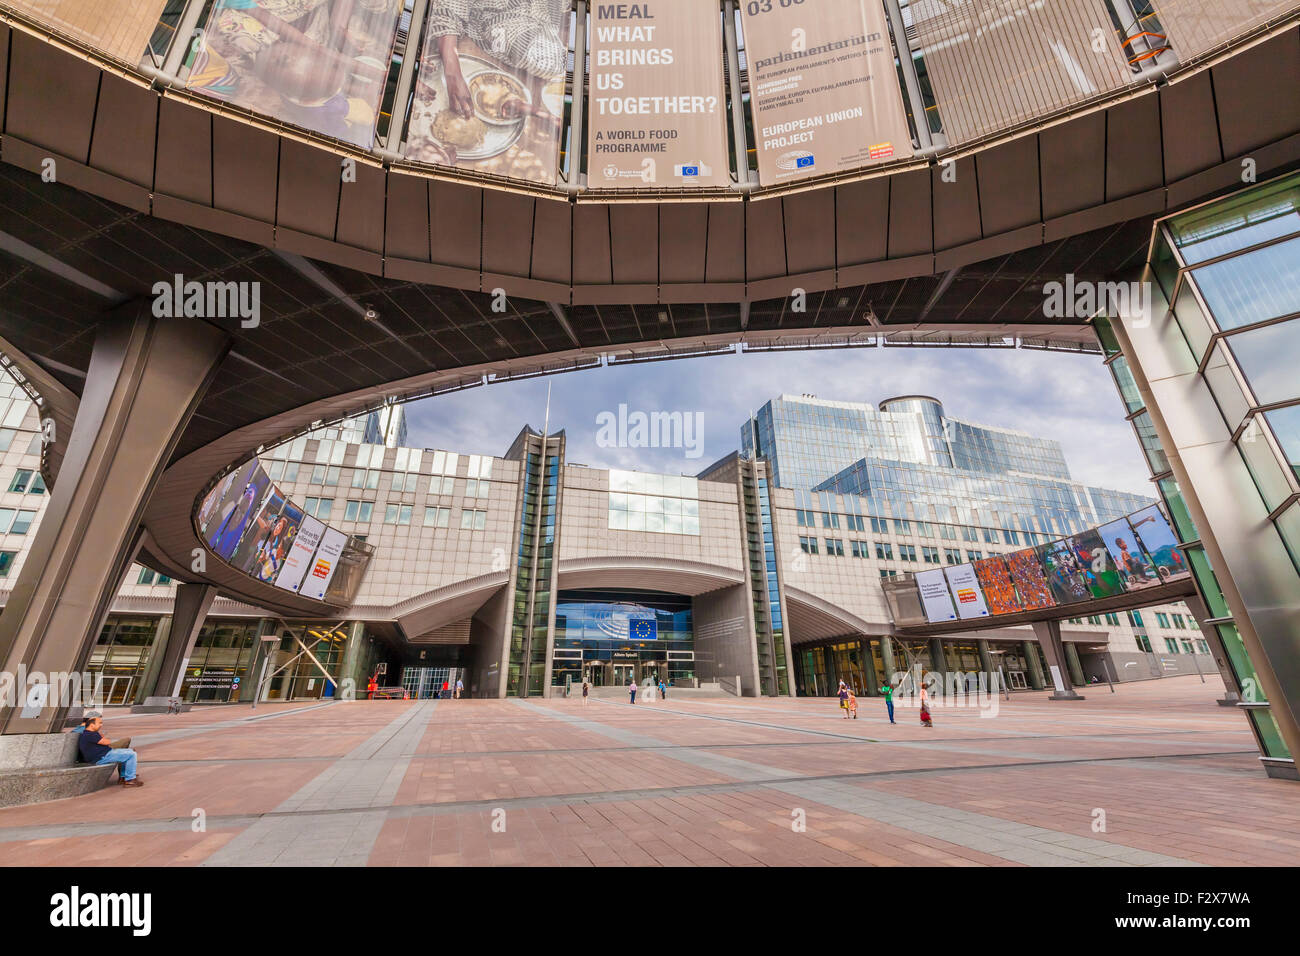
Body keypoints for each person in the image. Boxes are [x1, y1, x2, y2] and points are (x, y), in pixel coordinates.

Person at [77, 713, 142, 787]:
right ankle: (130, 780)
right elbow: (107, 742)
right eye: (99, 723)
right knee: (131, 754)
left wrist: (102, 737)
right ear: (92, 725)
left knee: (130, 752)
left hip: (104, 754)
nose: (101, 725)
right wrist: (103, 738)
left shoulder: (89, 733)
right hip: (101, 757)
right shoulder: (90, 734)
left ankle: (124, 777)